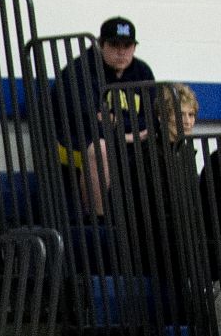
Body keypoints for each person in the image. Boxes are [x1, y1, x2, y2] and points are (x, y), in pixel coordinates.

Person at [50, 17, 155, 218]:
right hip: (75, 141)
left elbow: (150, 119)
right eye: (115, 45)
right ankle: (97, 220)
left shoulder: (142, 71)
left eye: (128, 46)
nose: (122, 52)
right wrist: (127, 134)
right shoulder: (80, 70)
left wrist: (116, 125)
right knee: (101, 148)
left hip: (125, 140)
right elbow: (85, 121)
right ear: (101, 44)